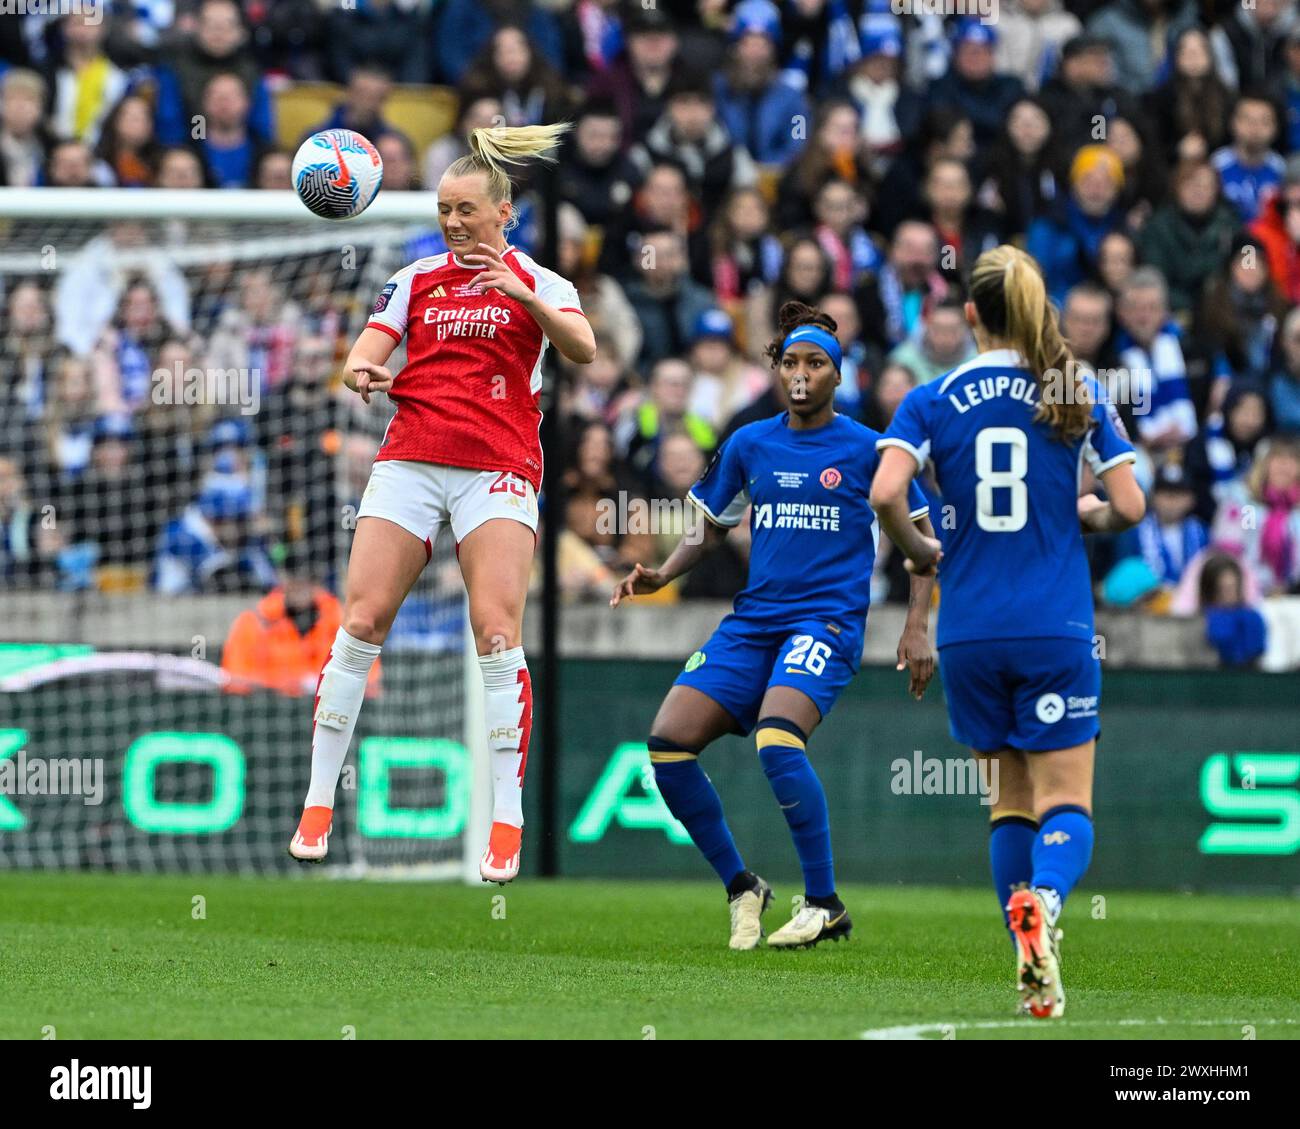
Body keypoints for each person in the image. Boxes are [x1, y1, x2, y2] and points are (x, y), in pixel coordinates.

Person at [287, 124, 595, 885]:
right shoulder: (415, 279)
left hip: (497, 465)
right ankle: (319, 801)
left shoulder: (542, 283)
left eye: (465, 209)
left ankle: (505, 819)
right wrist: (362, 374)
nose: (453, 222)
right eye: (443, 209)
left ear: (503, 213)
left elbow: (584, 350)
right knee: (359, 621)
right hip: (412, 460)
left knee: (496, 632)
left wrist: (525, 296)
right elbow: (366, 351)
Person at [870, 245, 1146, 1018]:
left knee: (1007, 804)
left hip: (970, 629)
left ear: (969, 316)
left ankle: (1028, 949)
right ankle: (1047, 904)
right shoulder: (1074, 388)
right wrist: (1079, 512)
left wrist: (922, 549)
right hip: (1055, 626)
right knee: (1068, 803)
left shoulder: (930, 396)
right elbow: (1129, 507)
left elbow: (886, 490)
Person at [609, 300, 936, 951]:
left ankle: (824, 902)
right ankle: (742, 886)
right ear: (777, 370)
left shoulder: (872, 448)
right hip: (753, 622)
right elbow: (709, 526)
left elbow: (922, 539)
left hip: (826, 623)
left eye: (816, 362)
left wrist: (917, 624)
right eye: (791, 361)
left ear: (838, 375)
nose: (801, 373)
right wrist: (661, 573)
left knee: (777, 740)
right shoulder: (749, 441)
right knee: (667, 745)